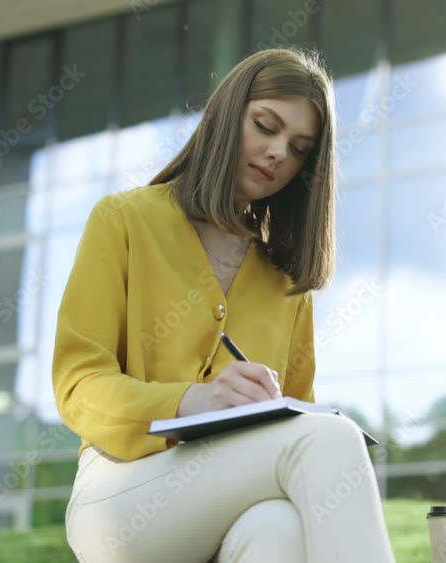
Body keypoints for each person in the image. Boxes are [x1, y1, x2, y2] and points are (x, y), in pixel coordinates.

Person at [53, 47, 396, 563]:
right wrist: (191, 401)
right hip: (119, 495)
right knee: (331, 439)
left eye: (300, 148)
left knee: (278, 529)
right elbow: (78, 385)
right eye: (265, 126)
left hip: (233, 504)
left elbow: (296, 415)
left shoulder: (287, 282)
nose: (279, 152)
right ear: (227, 114)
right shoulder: (124, 221)